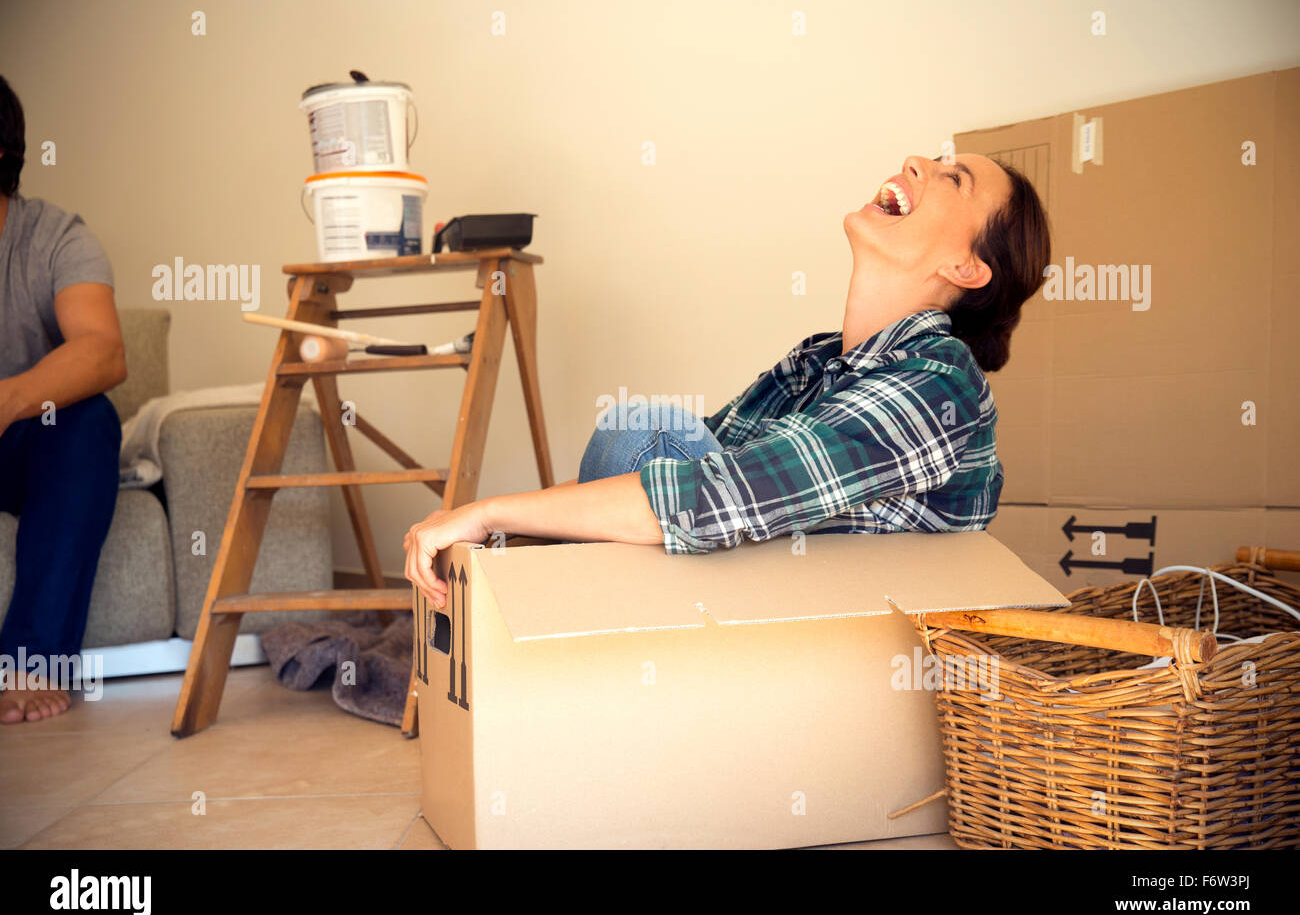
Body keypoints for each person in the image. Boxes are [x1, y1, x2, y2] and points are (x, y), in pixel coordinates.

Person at [405, 153, 1051, 610]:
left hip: (816, 653)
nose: (917, 162)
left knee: (649, 432)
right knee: (648, 447)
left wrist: (487, 512)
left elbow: (712, 497)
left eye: (951, 178)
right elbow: (663, 481)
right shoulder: (816, 364)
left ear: (967, 266)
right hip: (746, 607)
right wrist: (492, 528)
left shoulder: (942, 389)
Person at [0, 75, 126, 723]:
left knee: (85, 420)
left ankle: (31, 659)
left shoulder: (54, 236)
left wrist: (8, 400)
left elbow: (103, 350)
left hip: (24, 444)